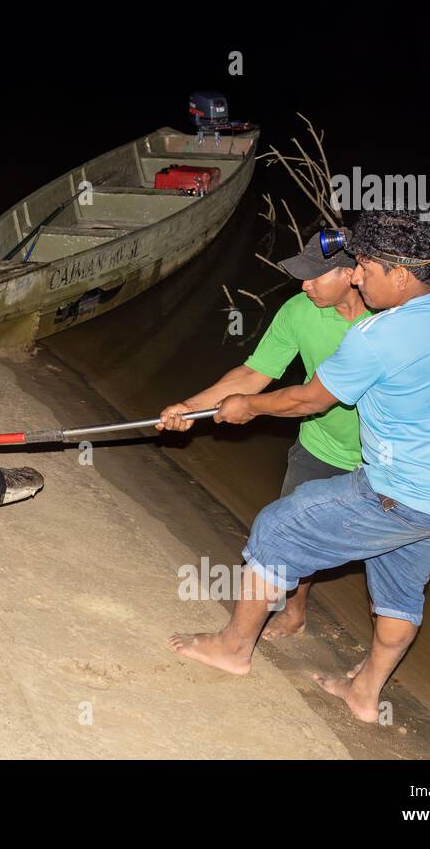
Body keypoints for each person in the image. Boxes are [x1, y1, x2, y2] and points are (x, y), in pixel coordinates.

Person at [168, 212, 430, 723]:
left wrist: (246, 407)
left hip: (398, 493)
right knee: (400, 591)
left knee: (277, 528)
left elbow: (307, 401)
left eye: (365, 268)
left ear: (401, 274)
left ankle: (231, 649)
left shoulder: (379, 337)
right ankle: (363, 694)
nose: (359, 277)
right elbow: (266, 374)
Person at [157, 229, 371, 639]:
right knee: (293, 535)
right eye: (302, 275)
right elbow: (254, 374)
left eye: (314, 275)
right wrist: (190, 408)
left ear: (351, 274)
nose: (304, 284)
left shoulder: (389, 323)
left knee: (383, 563)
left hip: (383, 462)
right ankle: (295, 612)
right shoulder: (299, 310)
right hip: (320, 446)